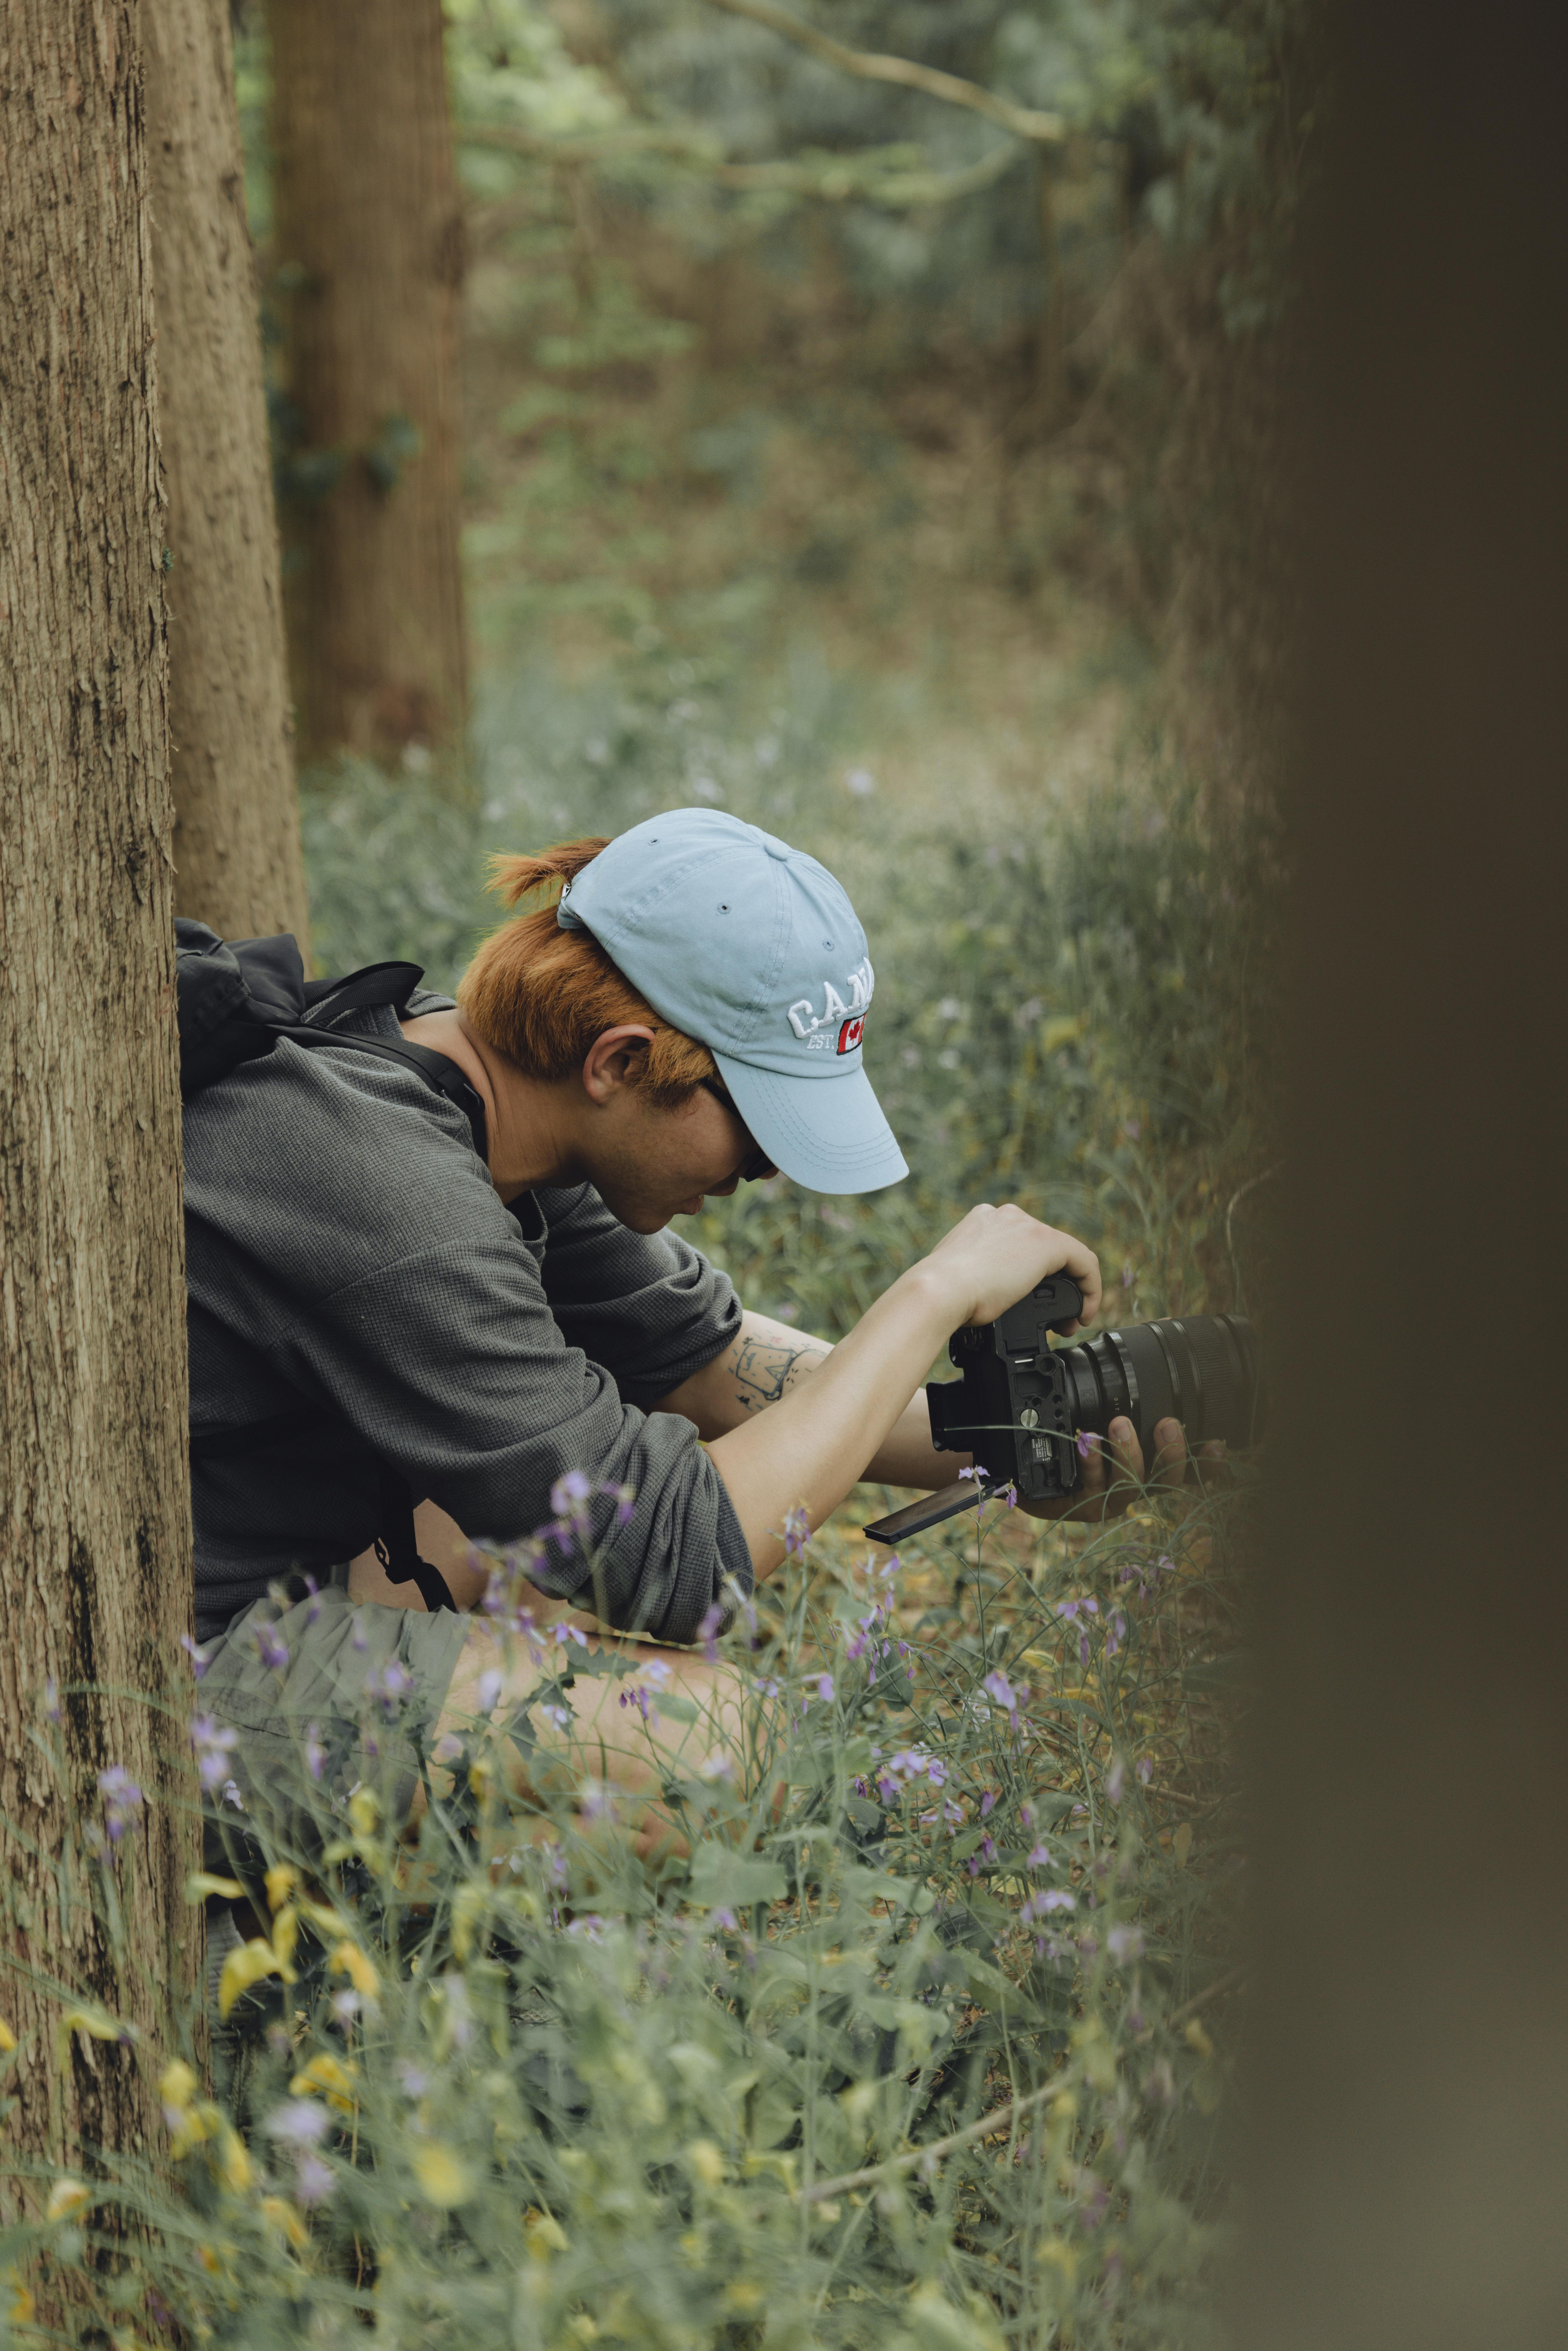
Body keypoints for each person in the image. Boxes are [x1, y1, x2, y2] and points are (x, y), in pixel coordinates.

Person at [188, 808, 1187, 1855]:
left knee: (538, 1552)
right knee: (709, 1746)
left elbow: (698, 1364)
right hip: (170, 1676)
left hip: (308, 1568)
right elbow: (679, 1560)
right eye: (755, 1132)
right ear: (619, 1061)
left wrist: (1020, 1438)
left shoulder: (481, 1100)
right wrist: (929, 1295)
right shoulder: (390, 1187)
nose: (759, 1175)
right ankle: (310, 1954)